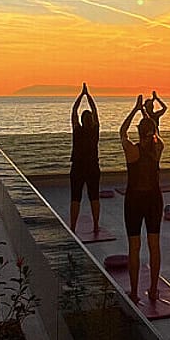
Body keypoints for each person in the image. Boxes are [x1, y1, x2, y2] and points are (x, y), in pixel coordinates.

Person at [120, 95, 165, 304]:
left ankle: (135, 291)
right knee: (154, 245)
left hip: (134, 201)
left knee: (134, 247)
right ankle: (154, 289)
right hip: (154, 200)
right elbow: (153, 133)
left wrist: (135, 109)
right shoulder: (158, 148)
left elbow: (122, 132)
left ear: (139, 132)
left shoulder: (132, 151)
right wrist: (146, 115)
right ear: (154, 131)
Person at [69, 82, 101, 233]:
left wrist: (81, 95)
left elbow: (74, 111)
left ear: (82, 121)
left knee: (75, 198)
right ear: (92, 121)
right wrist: (88, 96)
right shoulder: (94, 130)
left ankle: (73, 227)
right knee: (94, 197)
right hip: (93, 167)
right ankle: (95, 225)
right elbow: (95, 111)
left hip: (77, 168)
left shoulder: (77, 130)